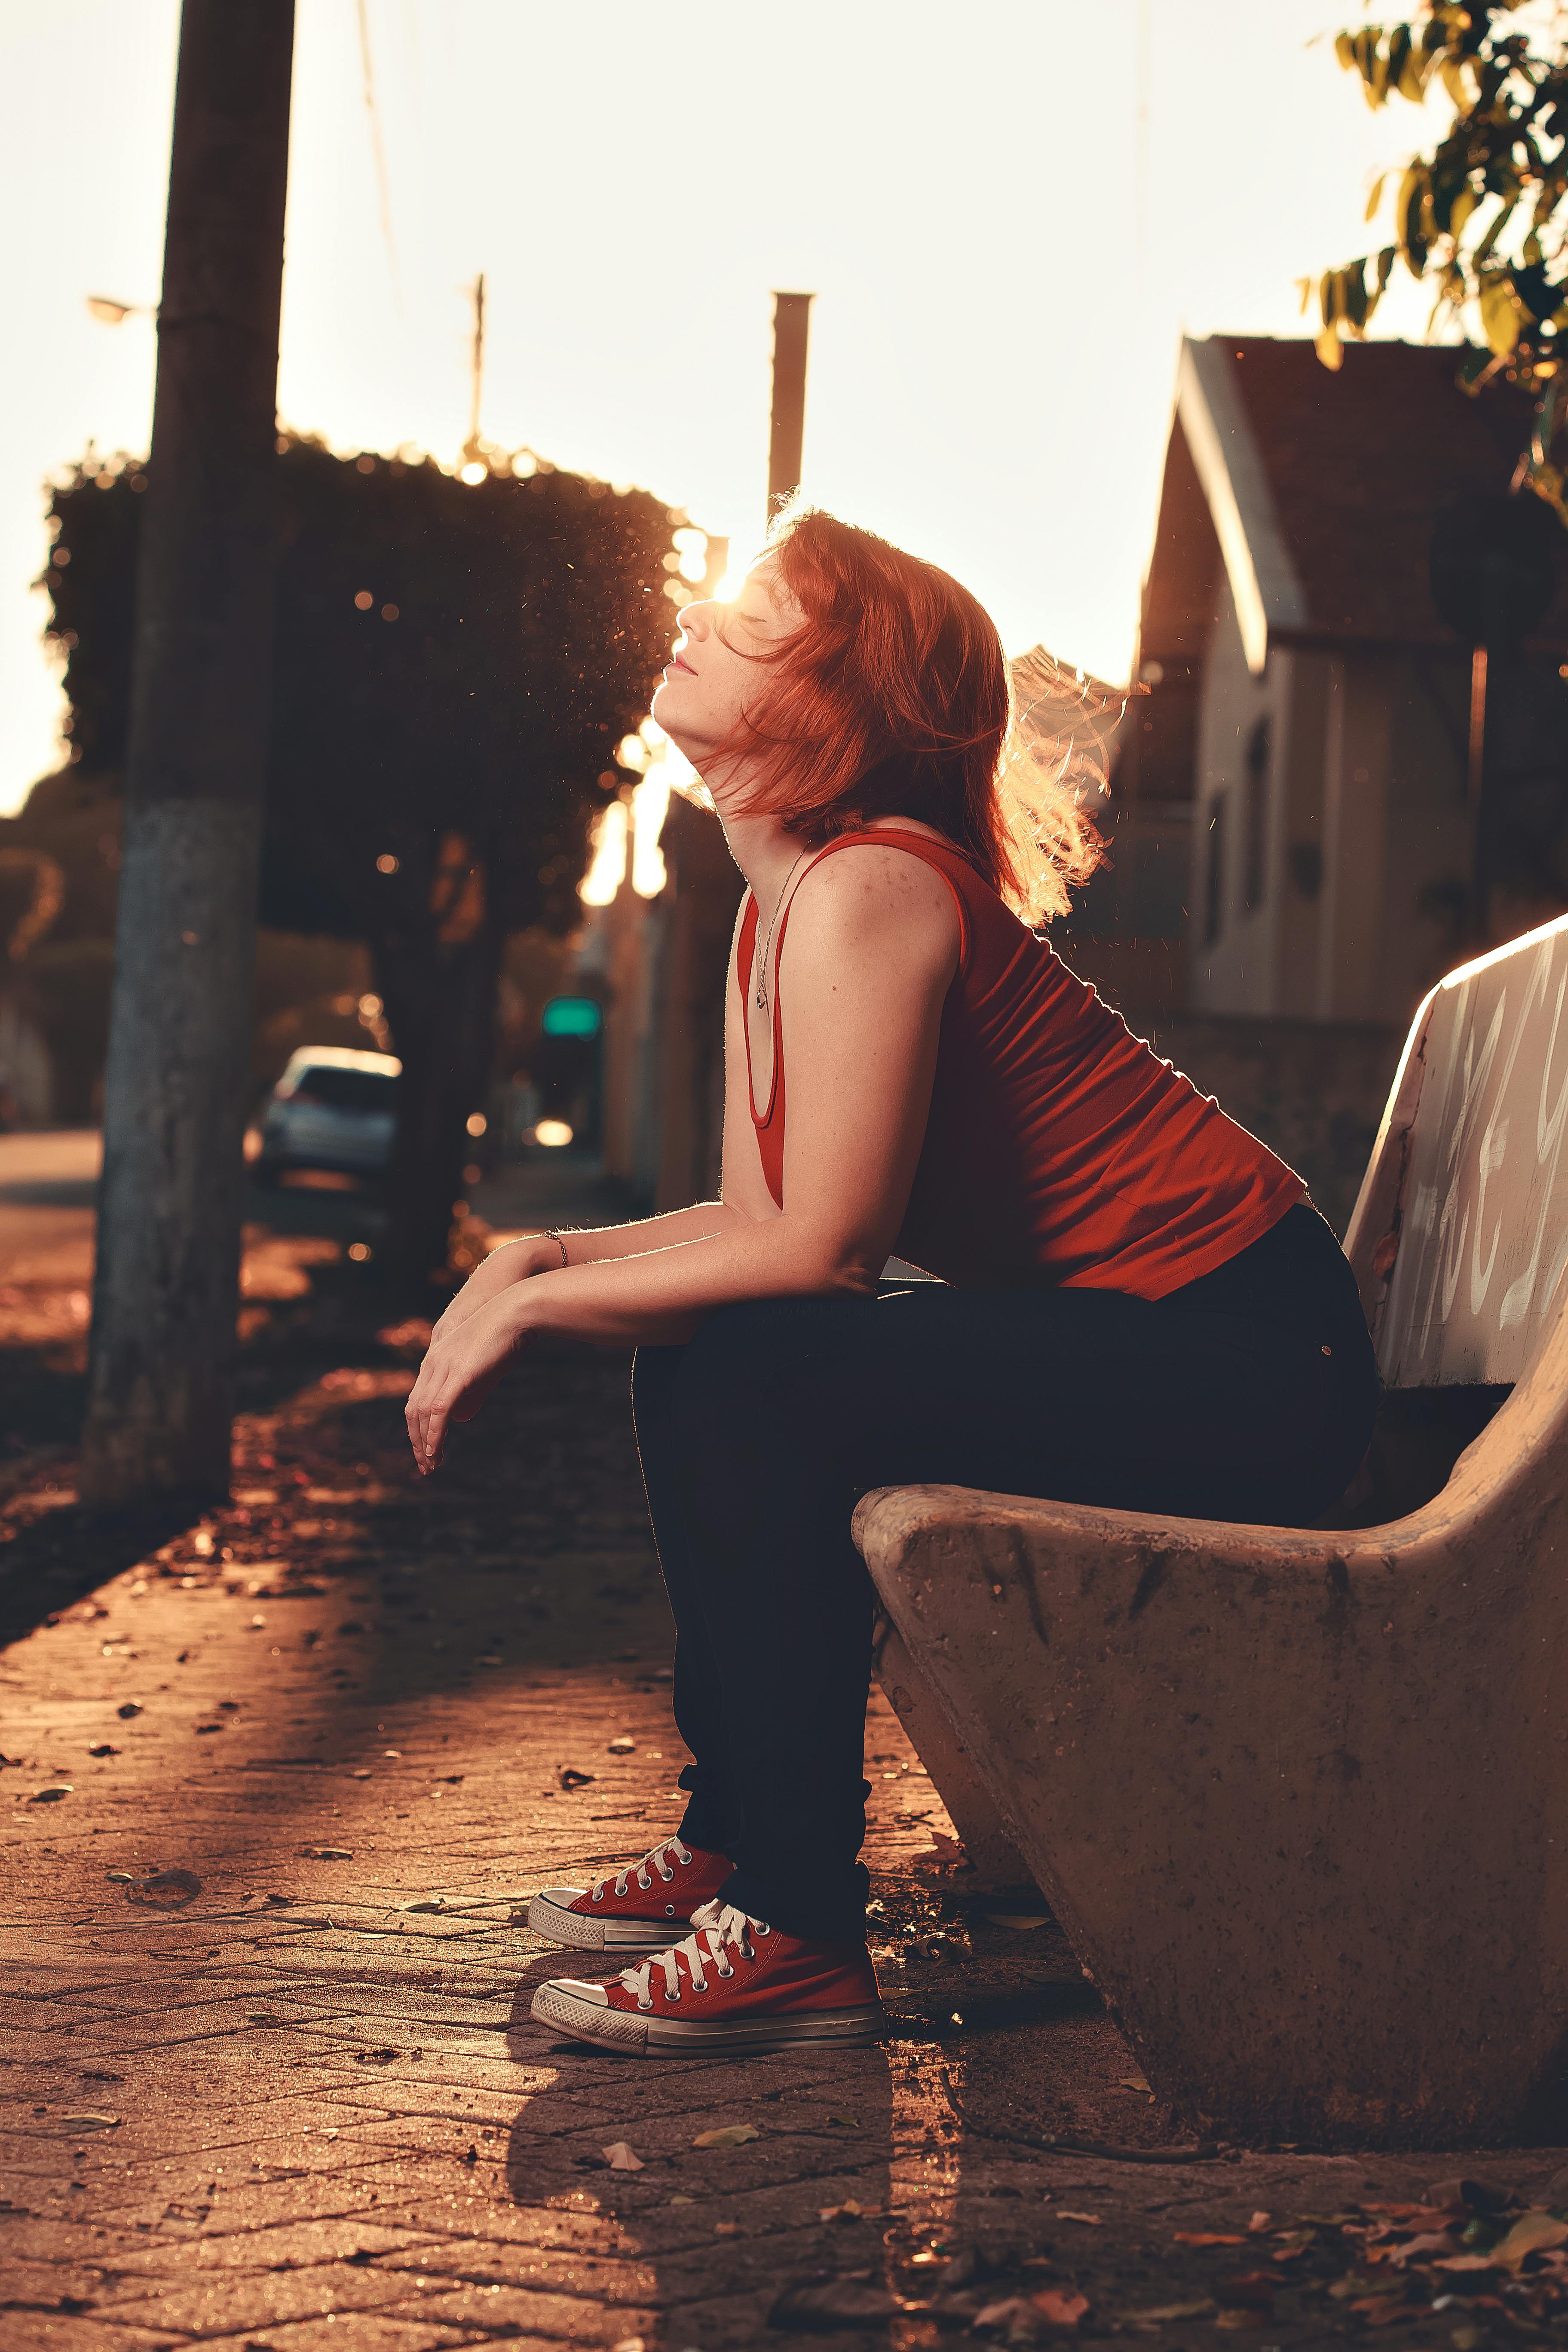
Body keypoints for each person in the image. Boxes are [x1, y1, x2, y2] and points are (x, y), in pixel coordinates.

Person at [404, 508, 1381, 2061]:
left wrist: (527, 1298)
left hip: (1254, 1357)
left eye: (756, 614)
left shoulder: (876, 886)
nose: (702, 618)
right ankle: (739, 1846)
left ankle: (795, 1923)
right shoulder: (778, 906)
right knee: (715, 1353)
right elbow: (753, 1213)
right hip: (1189, 1343)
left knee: (756, 1369)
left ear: (838, 700)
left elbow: (824, 1255)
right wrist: (538, 1256)